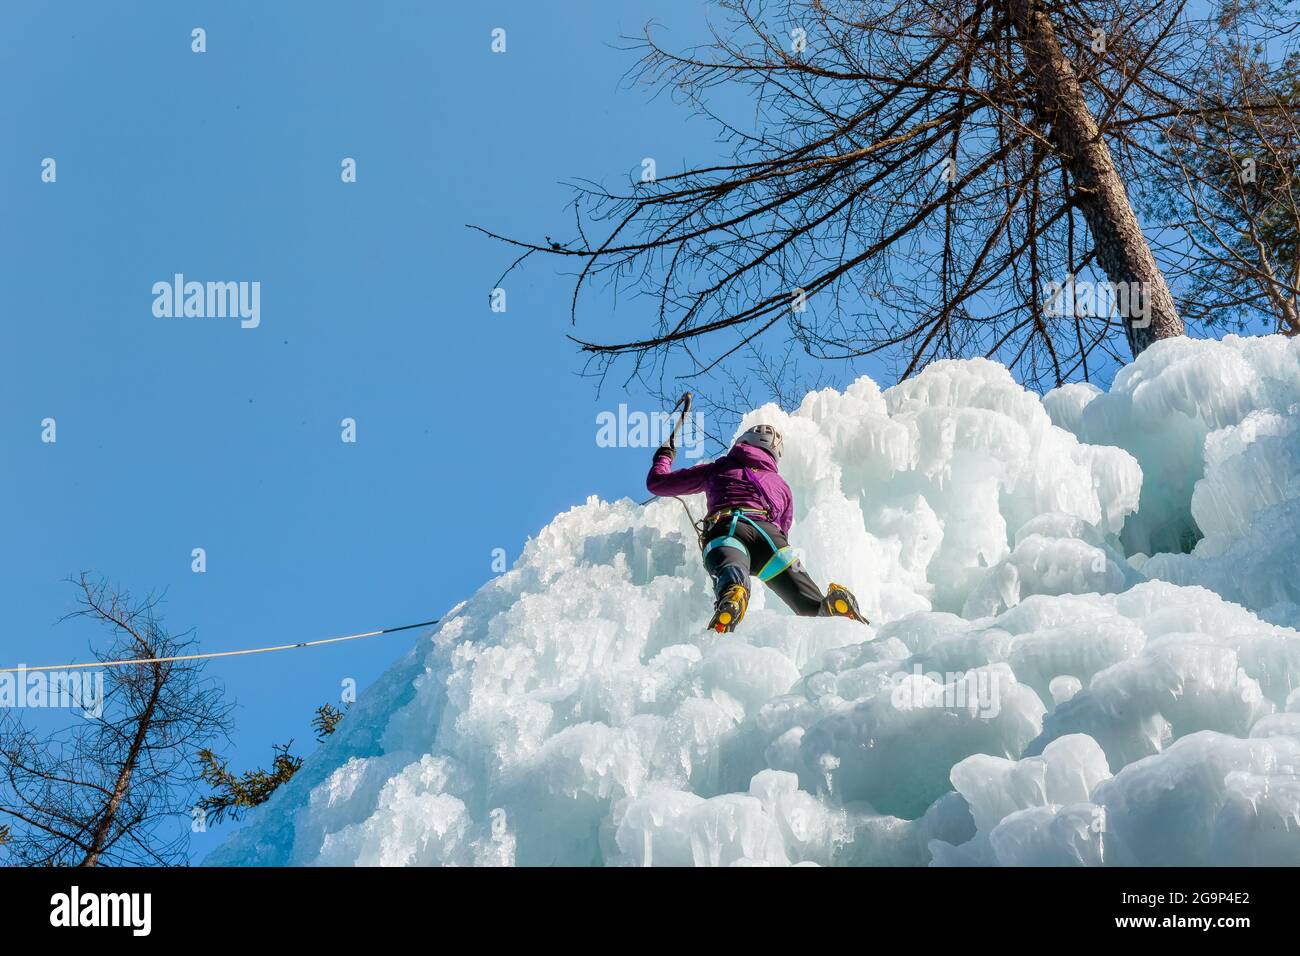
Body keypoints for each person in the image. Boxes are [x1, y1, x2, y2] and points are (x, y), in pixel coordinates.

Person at [646, 423, 867, 633]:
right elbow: (783, 528)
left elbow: (658, 483)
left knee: (732, 573)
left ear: (744, 442)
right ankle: (829, 606)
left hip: (728, 530)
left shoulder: (720, 468)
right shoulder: (781, 485)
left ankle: (734, 592)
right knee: (811, 605)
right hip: (771, 540)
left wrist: (664, 456)